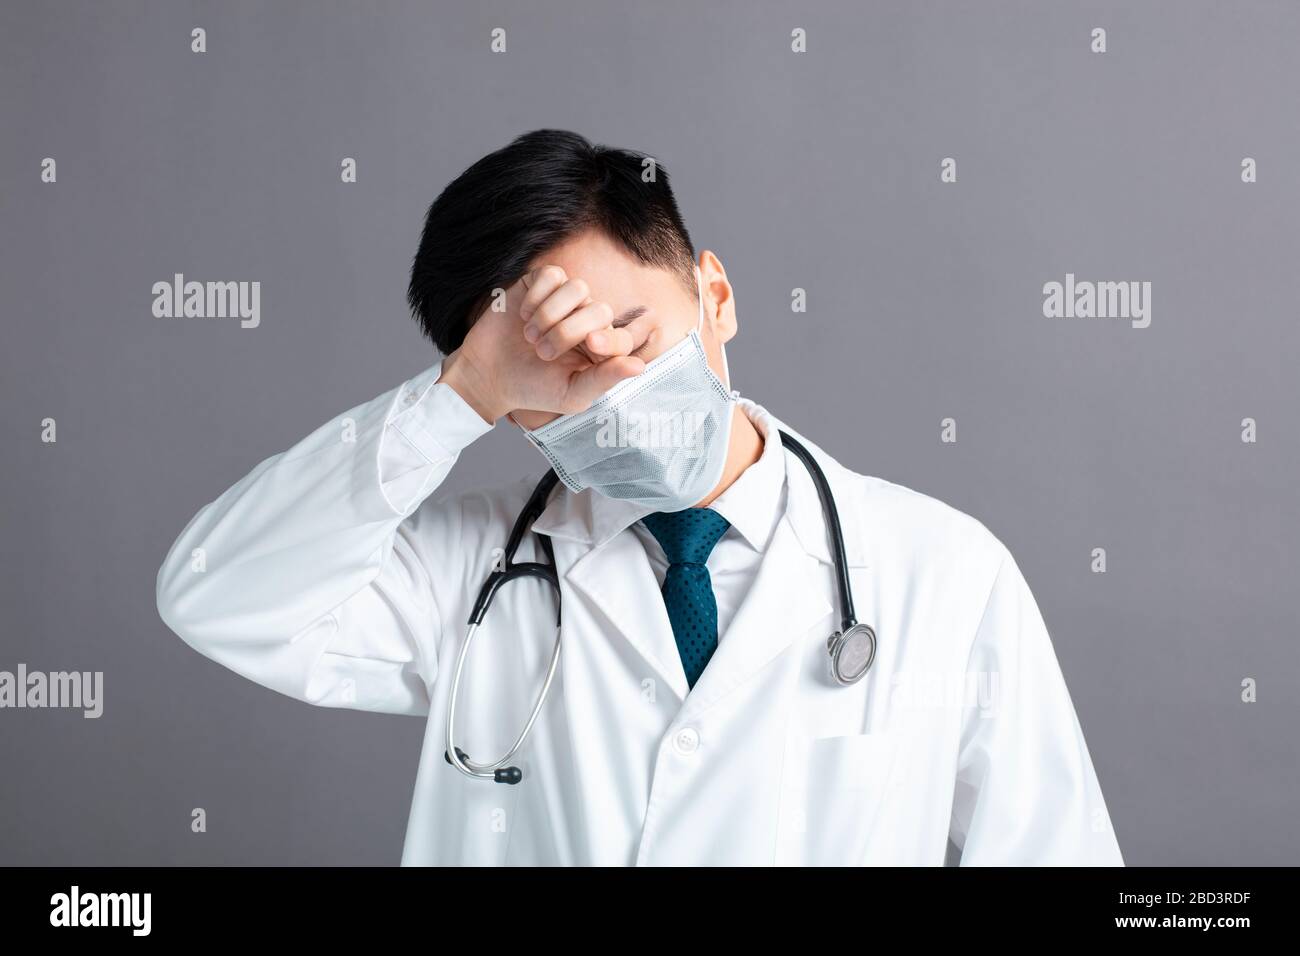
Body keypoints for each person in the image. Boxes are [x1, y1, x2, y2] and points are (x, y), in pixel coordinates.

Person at [155, 129, 1124, 866]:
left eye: (630, 328)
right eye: (558, 364)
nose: (612, 385)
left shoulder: (942, 571)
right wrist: (456, 397)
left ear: (716, 295)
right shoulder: (464, 568)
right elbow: (217, 594)